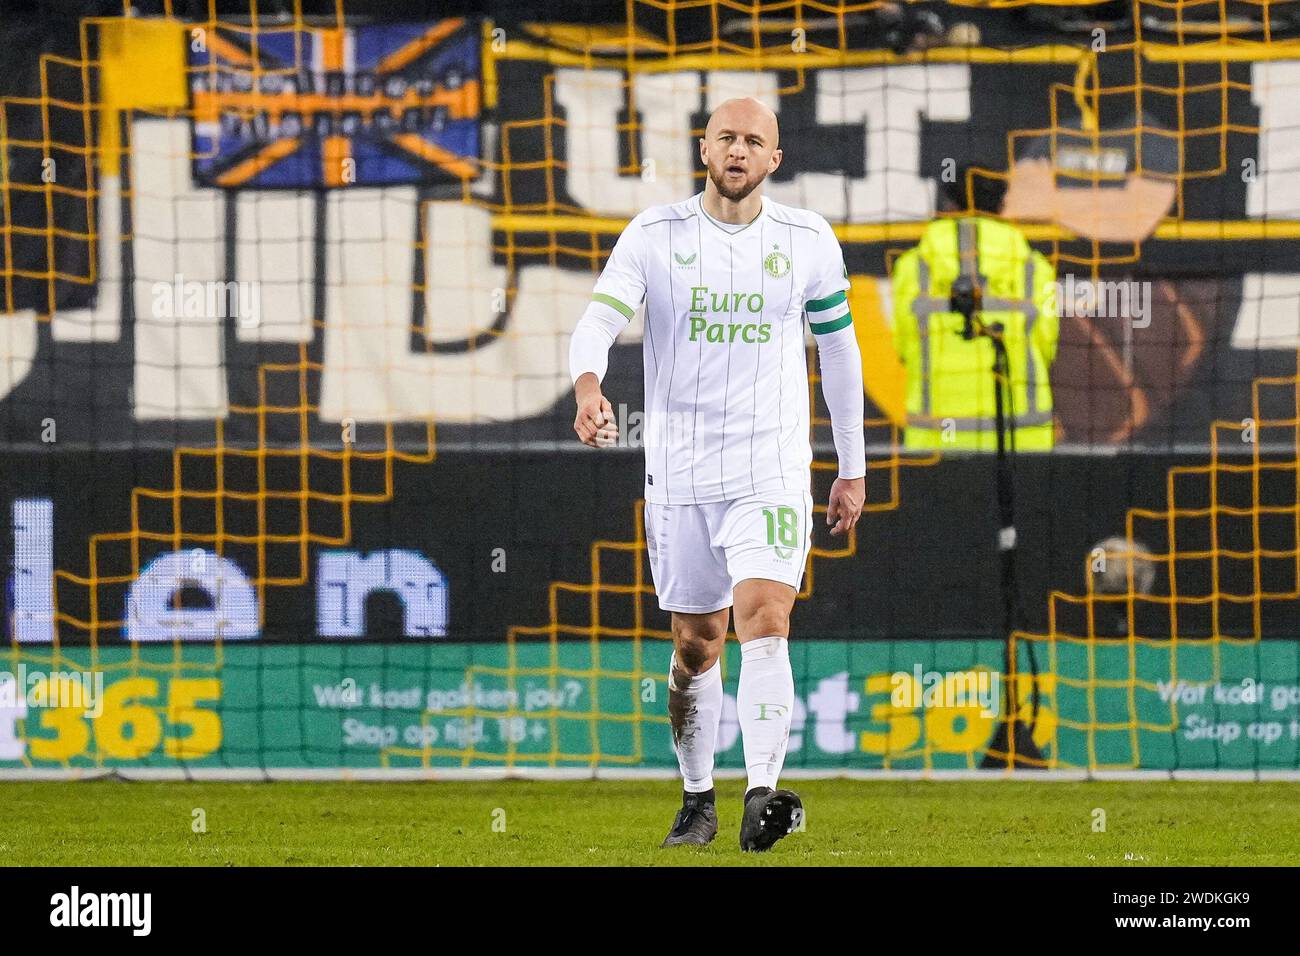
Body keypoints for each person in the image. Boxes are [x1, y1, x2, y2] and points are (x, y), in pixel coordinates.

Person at [567, 97, 867, 852]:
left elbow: (838, 353)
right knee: (698, 643)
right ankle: (697, 798)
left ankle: (760, 792)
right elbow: (599, 319)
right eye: (726, 137)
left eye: (753, 141)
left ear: (775, 159)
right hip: (679, 475)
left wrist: (851, 466)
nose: (738, 150)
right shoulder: (654, 235)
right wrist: (588, 386)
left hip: (769, 469)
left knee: (767, 617)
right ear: (704, 148)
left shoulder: (807, 241)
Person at [891, 167, 1059, 450]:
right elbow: (1046, 347)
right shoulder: (1033, 268)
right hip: (1020, 436)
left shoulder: (913, 266)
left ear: (951, 205)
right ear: (1001, 207)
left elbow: (905, 347)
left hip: (936, 438)